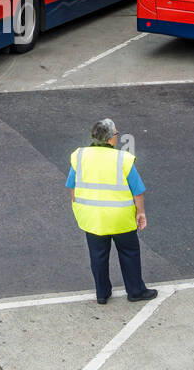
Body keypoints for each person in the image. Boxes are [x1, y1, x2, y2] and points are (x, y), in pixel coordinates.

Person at [66, 118, 157, 304]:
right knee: (129, 252)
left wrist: (79, 207)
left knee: (97, 255)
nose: (117, 136)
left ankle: (102, 293)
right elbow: (137, 191)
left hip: (92, 218)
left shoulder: (80, 156)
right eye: (116, 134)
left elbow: (72, 187)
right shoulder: (122, 159)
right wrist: (141, 212)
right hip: (120, 218)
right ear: (110, 139)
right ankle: (135, 291)